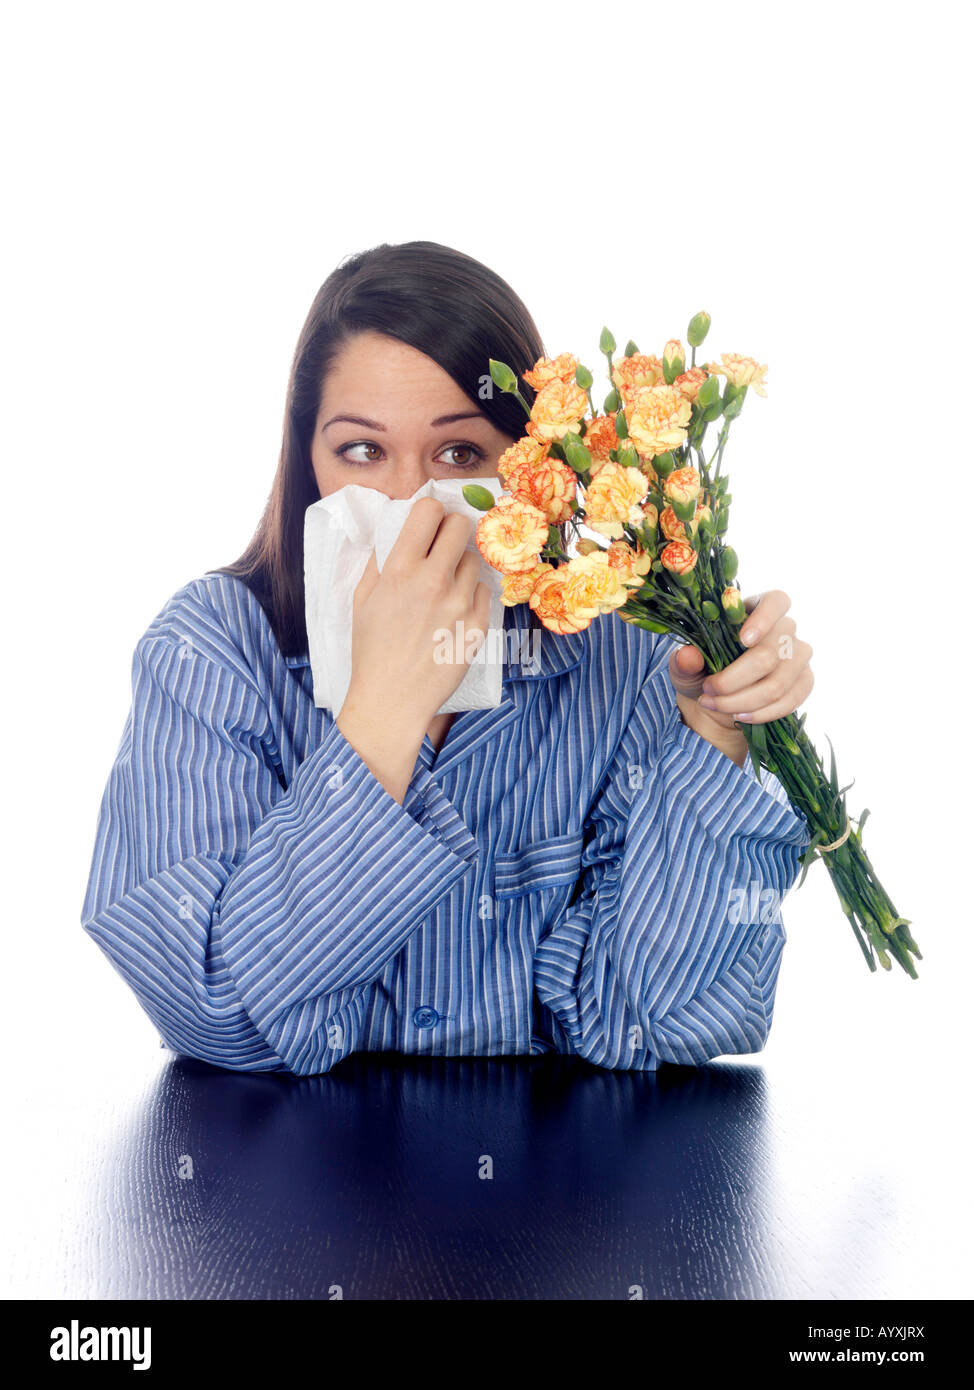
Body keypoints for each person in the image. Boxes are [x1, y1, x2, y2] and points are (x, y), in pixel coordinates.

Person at [80, 240, 815, 1077]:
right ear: (308, 461)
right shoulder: (209, 653)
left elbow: (660, 1020)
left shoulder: (629, 662)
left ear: (531, 475)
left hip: (558, 1200)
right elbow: (210, 1016)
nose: (404, 504)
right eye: (361, 452)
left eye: (460, 456)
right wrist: (383, 716)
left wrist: (715, 735)